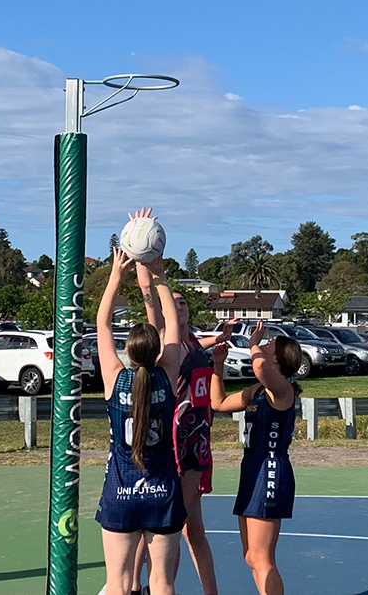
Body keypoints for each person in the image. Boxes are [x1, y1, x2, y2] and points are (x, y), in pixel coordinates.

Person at [130, 208, 224, 595]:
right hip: (168, 441)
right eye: (176, 300)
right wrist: (144, 255)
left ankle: (208, 591)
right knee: (163, 523)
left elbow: (209, 397)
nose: (179, 305)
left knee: (192, 525)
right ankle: (139, 585)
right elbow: (150, 296)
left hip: (196, 443)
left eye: (185, 302)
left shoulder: (196, 346)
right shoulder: (166, 344)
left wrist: (218, 361)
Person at [95, 247, 185, 595]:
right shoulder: (167, 377)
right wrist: (158, 273)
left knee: (118, 583)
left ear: (128, 353)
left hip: (121, 490)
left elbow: (102, 322)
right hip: (163, 490)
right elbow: (172, 323)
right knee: (162, 582)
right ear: (156, 351)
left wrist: (117, 274)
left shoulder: (115, 379)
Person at [209, 320, 302, 595]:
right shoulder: (259, 390)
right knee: (251, 555)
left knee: (263, 559)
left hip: (270, 471)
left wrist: (251, 342)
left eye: (269, 345)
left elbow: (260, 367)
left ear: (277, 359)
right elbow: (220, 404)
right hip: (251, 469)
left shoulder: (281, 389)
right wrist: (218, 366)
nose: (263, 344)